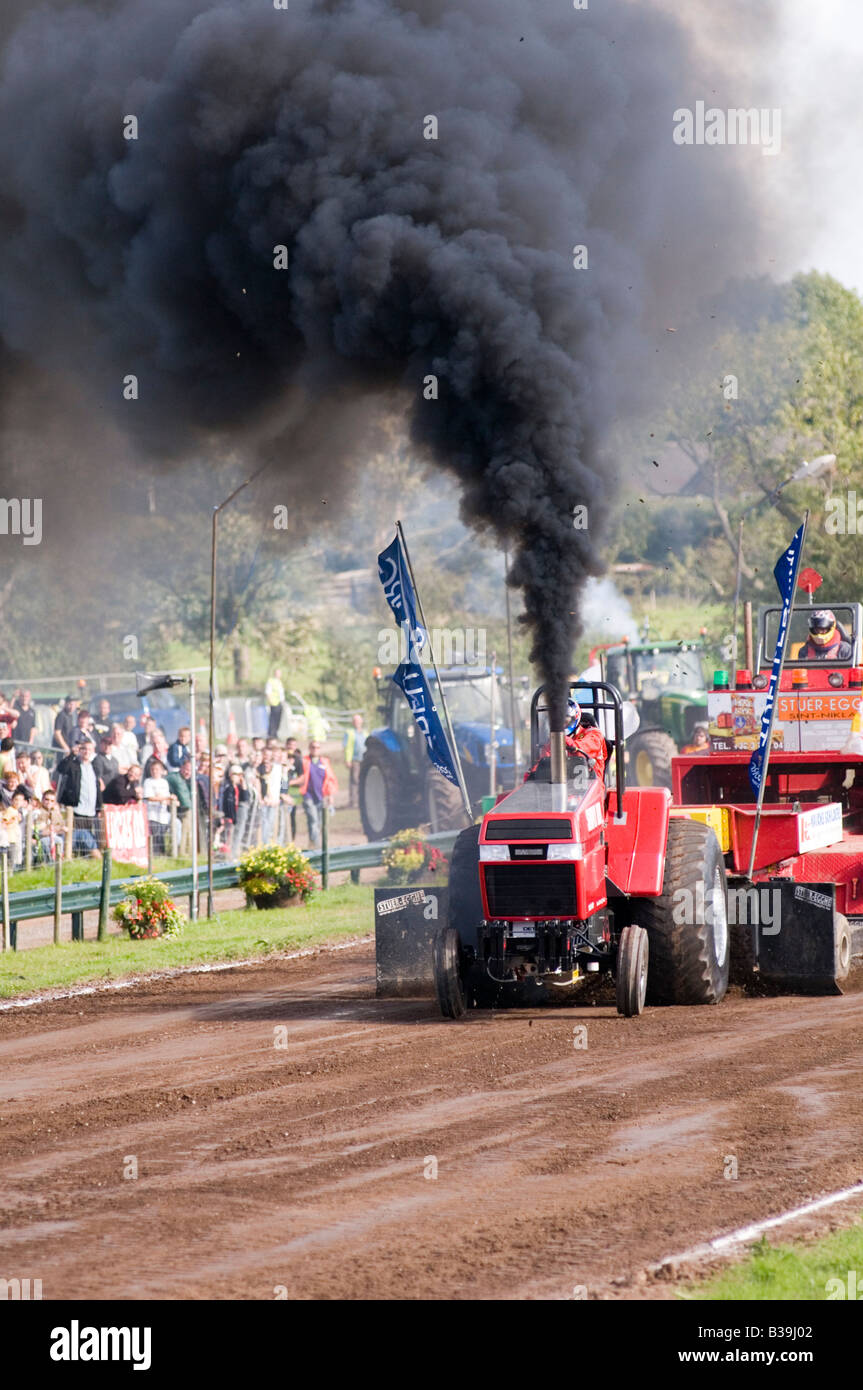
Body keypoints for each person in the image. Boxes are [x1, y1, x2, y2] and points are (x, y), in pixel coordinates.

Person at [525, 700, 607, 783]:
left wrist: (562, 739)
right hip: (561, 787)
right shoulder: (553, 743)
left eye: (564, 719)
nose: (560, 723)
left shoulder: (593, 734)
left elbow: (582, 750)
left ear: (574, 718)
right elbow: (543, 763)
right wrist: (532, 775)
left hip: (593, 787)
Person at [55, 738, 103, 856]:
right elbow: (61, 769)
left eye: (89, 749)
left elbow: (97, 787)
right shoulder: (74, 764)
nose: (86, 752)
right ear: (80, 750)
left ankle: (85, 857)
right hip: (76, 809)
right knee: (74, 836)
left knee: (87, 836)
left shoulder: (94, 767)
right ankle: (70, 856)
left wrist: (99, 806)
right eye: (84, 749)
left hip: (90, 810)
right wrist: (72, 754)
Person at [296, 739, 337, 849]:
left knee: (319, 822)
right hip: (308, 795)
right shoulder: (304, 761)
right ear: (309, 749)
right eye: (313, 747)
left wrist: (330, 795)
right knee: (313, 819)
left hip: (321, 795)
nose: (315, 749)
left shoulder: (324, 762)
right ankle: (316, 846)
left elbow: (330, 779)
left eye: (317, 747)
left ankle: (314, 841)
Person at [142, 758, 172, 856]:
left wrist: (167, 799)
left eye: (157, 769)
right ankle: (155, 855)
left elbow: (166, 799)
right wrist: (163, 798)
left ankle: (162, 854)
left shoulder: (164, 782)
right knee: (155, 836)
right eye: (153, 769)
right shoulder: (148, 782)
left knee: (162, 836)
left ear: (161, 770)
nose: (155, 771)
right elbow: (149, 797)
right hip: (152, 814)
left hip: (163, 814)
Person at [220, 764, 250, 858]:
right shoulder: (228, 787)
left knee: (237, 836)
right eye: (236, 774)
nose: (239, 777)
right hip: (229, 817)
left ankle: (232, 855)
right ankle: (227, 857)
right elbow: (228, 803)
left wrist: (244, 786)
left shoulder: (238, 787)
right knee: (228, 838)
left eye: (241, 774)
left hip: (235, 818)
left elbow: (245, 798)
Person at [343, 714, 366, 809]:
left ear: (362, 722)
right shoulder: (349, 732)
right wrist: (348, 760)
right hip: (355, 760)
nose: (357, 723)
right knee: (355, 780)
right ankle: (353, 801)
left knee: (362, 780)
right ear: (353, 723)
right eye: (355, 721)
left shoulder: (365, 733)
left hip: (364, 759)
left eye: (358, 721)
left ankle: (362, 800)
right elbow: (347, 747)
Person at [265, 667, 286, 740]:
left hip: (279, 702)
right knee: (273, 719)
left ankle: (275, 733)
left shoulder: (279, 682)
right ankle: (271, 734)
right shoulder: (271, 681)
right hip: (274, 703)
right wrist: (270, 701)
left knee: (278, 719)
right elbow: (268, 692)